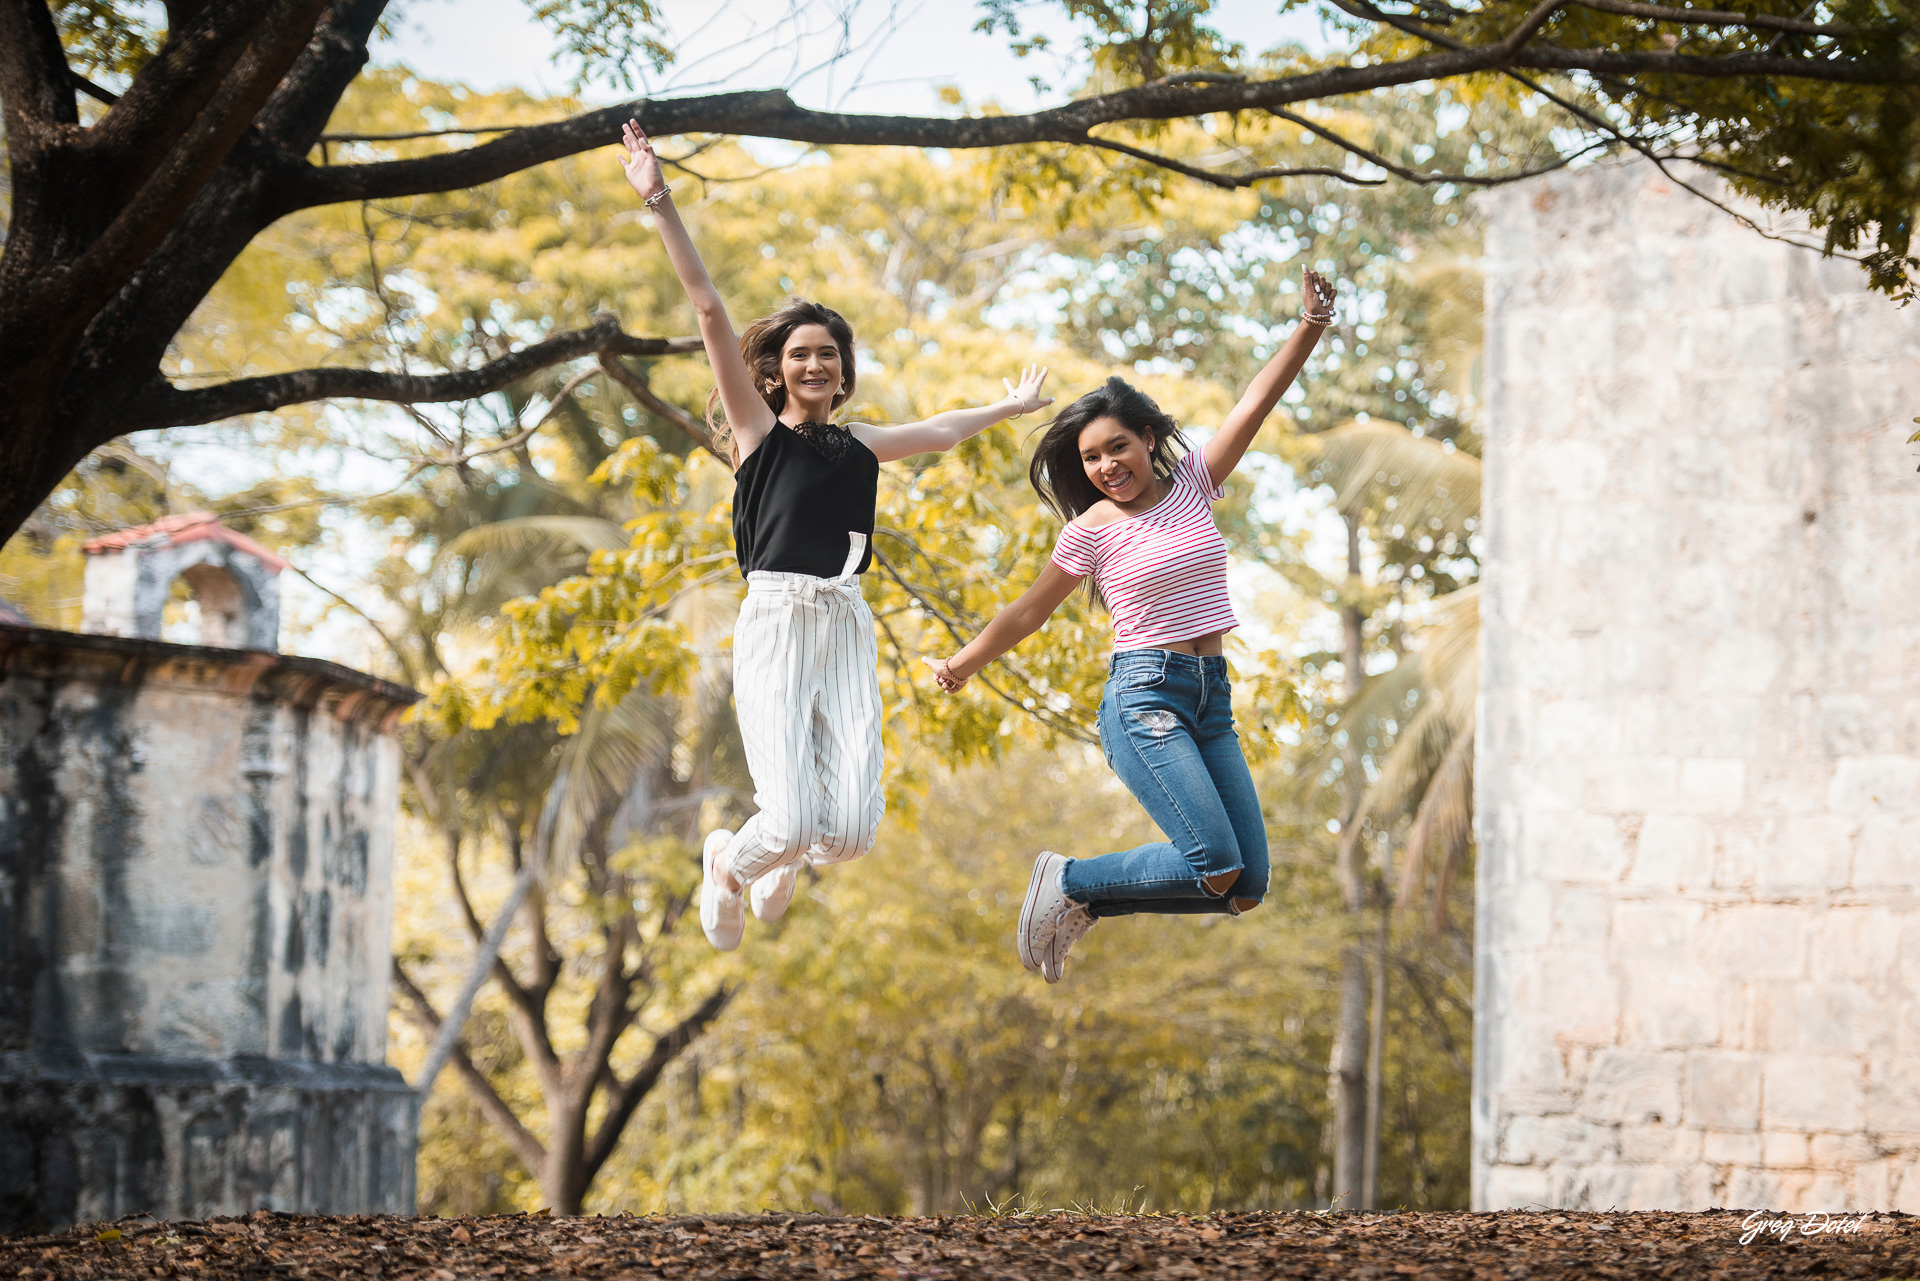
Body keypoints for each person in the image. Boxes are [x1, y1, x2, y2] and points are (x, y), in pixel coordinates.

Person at [615, 120, 1053, 952]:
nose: (814, 364)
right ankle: (730, 863)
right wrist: (660, 199)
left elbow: (941, 430)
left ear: (844, 371)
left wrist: (1011, 406)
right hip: (778, 616)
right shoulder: (758, 434)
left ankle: (779, 857)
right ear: (777, 369)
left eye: (828, 354)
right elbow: (708, 309)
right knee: (785, 820)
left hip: (846, 617)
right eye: (800, 354)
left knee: (849, 833)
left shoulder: (859, 445)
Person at [927, 269, 1336, 982]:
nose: (1105, 466)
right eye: (1091, 457)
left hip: (1211, 699)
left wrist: (1310, 325)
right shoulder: (1091, 529)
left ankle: (1083, 899)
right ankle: (1070, 879)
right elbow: (1028, 610)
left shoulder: (1195, 484)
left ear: (1148, 439)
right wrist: (961, 663)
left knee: (1245, 886)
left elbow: (1255, 402)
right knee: (1213, 860)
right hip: (1145, 698)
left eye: (1117, 447)